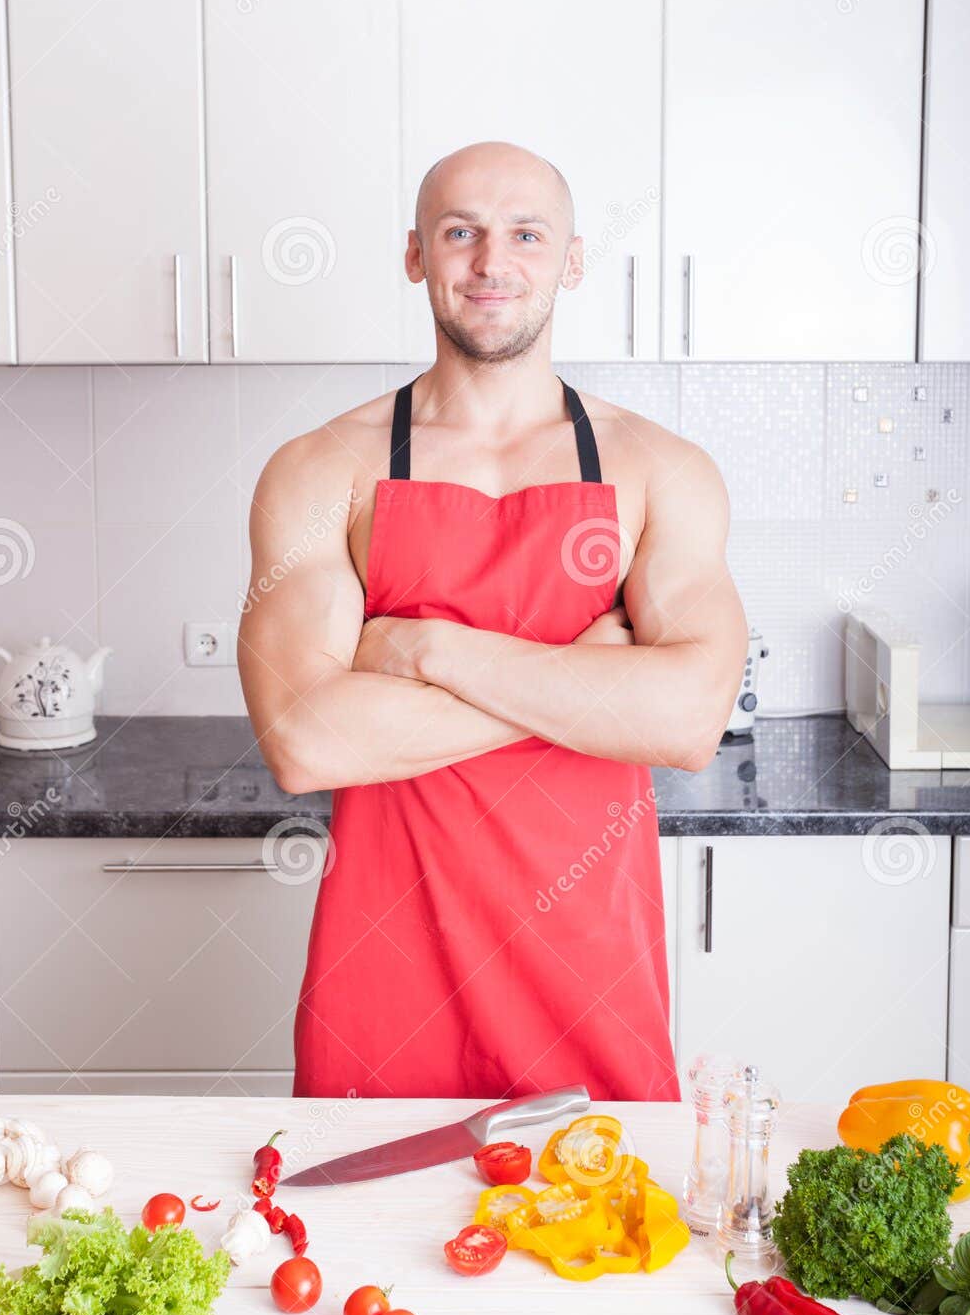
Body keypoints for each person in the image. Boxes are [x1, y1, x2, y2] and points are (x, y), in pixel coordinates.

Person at [239, 140, 748, 1102]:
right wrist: (585, 679)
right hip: (386, 959)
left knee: (601, 1238)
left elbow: (685, 721)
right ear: (415, 256)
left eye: (525, 234)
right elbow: (305, 740)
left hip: (588, 958)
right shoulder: (320, 469)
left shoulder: (657, 469)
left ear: (571, 260)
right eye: (459, 232)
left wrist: (427, 649)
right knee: (360, 1249)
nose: (490, 262)